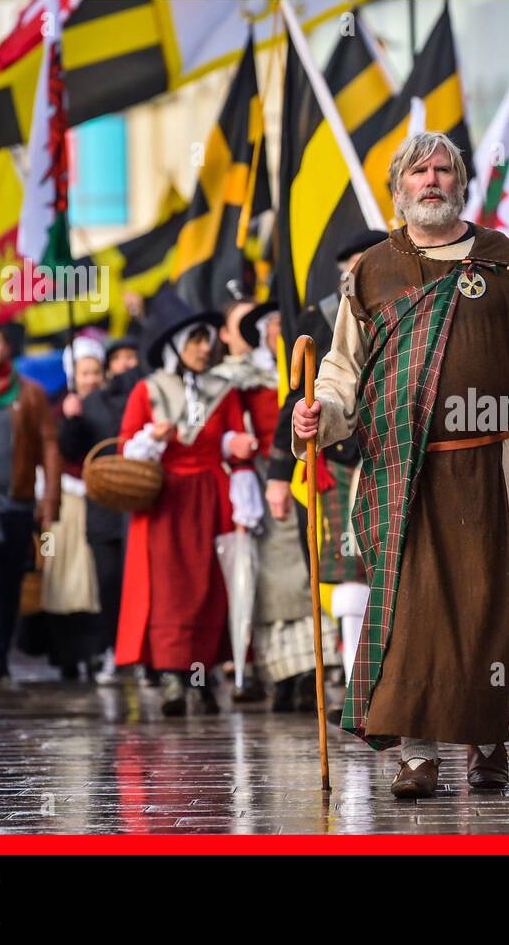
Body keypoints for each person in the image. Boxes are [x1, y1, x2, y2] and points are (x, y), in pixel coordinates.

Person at [290, 131, 509, 798]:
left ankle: (488, 746)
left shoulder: (502, 263)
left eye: (443, 170)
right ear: (399, 187)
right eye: (419, 171)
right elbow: (342, 369)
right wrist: (319, 416)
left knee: (489, 607)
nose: (432, 180)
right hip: (402, 470)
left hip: (488, 469)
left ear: (461, 183)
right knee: (409, 612)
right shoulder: (372, 271)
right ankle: (417, 757)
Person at [116, 291, 263, 716]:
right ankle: (173, 680)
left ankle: (202, 678)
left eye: (207, 339)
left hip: (211, 498)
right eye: (196, 340)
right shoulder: (149, 391)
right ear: (178, 345)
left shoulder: (225, 389)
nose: (205, 347)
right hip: (165, 502)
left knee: (208, 589)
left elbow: (235, 445)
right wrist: (152, 439)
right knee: (168, 591)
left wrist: (235, 445)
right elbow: (126, 447)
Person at [266, 230, 386, 710]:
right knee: (349, 576)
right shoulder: (316, 318)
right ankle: (358, 682)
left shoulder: (401, 313)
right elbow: (296, 398)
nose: (354, 277)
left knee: (394, 572)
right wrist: (278, 473)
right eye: (348, 270)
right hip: (339, 462)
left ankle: (395, 681)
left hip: (393, 457)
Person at [216, 296, 339, 712]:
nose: (274, 333)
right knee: (272, 585)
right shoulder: (237, 378)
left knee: (309, 575)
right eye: (267, 328)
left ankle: (313, 673)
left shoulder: (299, 372)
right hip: (264, 490)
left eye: (276, 326)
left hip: (304, 479)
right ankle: (283, 676)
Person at [0, 318, 62, 686]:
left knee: (10, 585)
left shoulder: (30, 393)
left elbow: (49, 447)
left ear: (6, 348)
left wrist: (49, 502)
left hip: (18, 505)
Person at [57, 335, 144, 684]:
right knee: (108, 580)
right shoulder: (84, 404)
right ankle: (115, 650)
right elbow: (70, 450)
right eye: (118, 358)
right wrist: (71, 420)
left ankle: (144, 656)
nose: (124, 365)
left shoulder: (134, 396)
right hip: (102, 507)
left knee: (136, 579)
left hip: (137, 503)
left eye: (130, 358)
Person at [41, 336, 108, 680]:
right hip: (68, 500)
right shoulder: (58, 409)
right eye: (84, 373)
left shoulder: (109, 404)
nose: (91, 379)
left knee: (92, 580)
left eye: (96, 372)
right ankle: (67, 654)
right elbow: (62, 449)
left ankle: (96, 651)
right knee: (64, 577)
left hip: (100, 496)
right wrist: (71, 421)